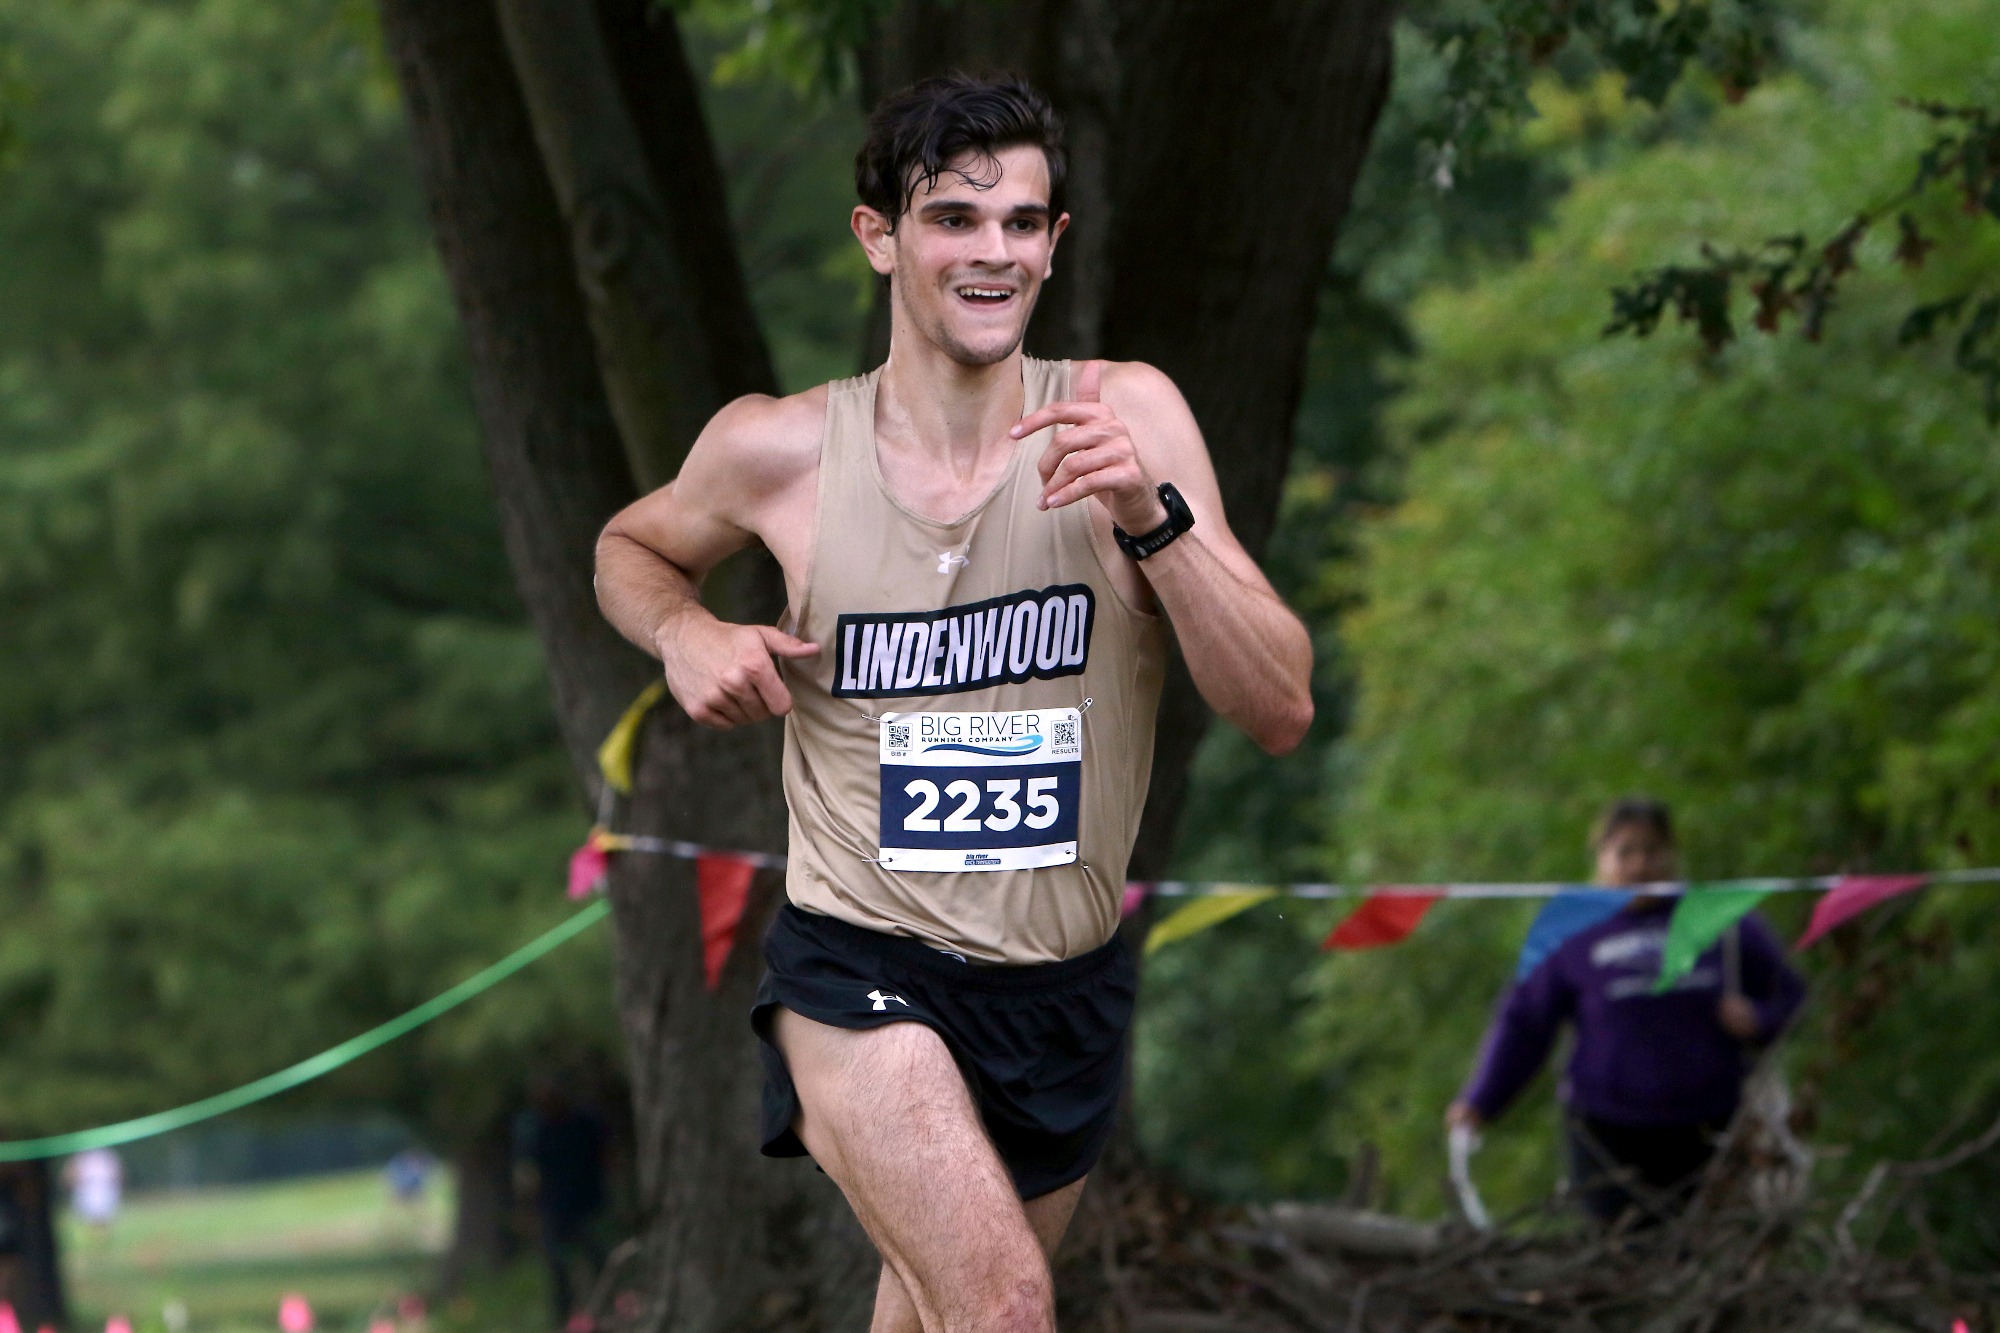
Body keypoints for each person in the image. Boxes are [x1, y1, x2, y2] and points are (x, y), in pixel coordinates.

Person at [595, 73, 1313, 1333]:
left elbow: (1279, 705)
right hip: (859, 967)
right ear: (879, 236)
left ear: (1053, 245)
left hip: (1061, 986)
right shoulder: (782, 450)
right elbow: (626, 548)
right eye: (953, 219)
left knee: (932, 1314)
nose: (993, 253)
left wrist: (1156, 525)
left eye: (1022, 223)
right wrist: (685, 632)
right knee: (998, 1304)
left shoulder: (1123, 418)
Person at [1447, 798, 1806, 1226]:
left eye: (1652, 851)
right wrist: (1481, 1100)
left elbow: (1790, 995)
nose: (1640, 866)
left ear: (1673, 855)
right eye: (1625, 852)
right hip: (1607, 1129)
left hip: (1713, 1124)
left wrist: (1759, 1019)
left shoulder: (1721, 921)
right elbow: (1524, 1024)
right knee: (1625, 1254)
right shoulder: (1570, 929)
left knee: (1709, 1250)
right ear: (1602, 859)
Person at [515, 1079, 609, 1328]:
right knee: (559, 1269)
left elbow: (607, 1155)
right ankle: (565, 1317)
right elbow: (529, 1172)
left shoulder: (584, 1123)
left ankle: (604, 1312)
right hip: (555, 1208)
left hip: (587, 1204)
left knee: (598, 1262)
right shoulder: (538, 1129)